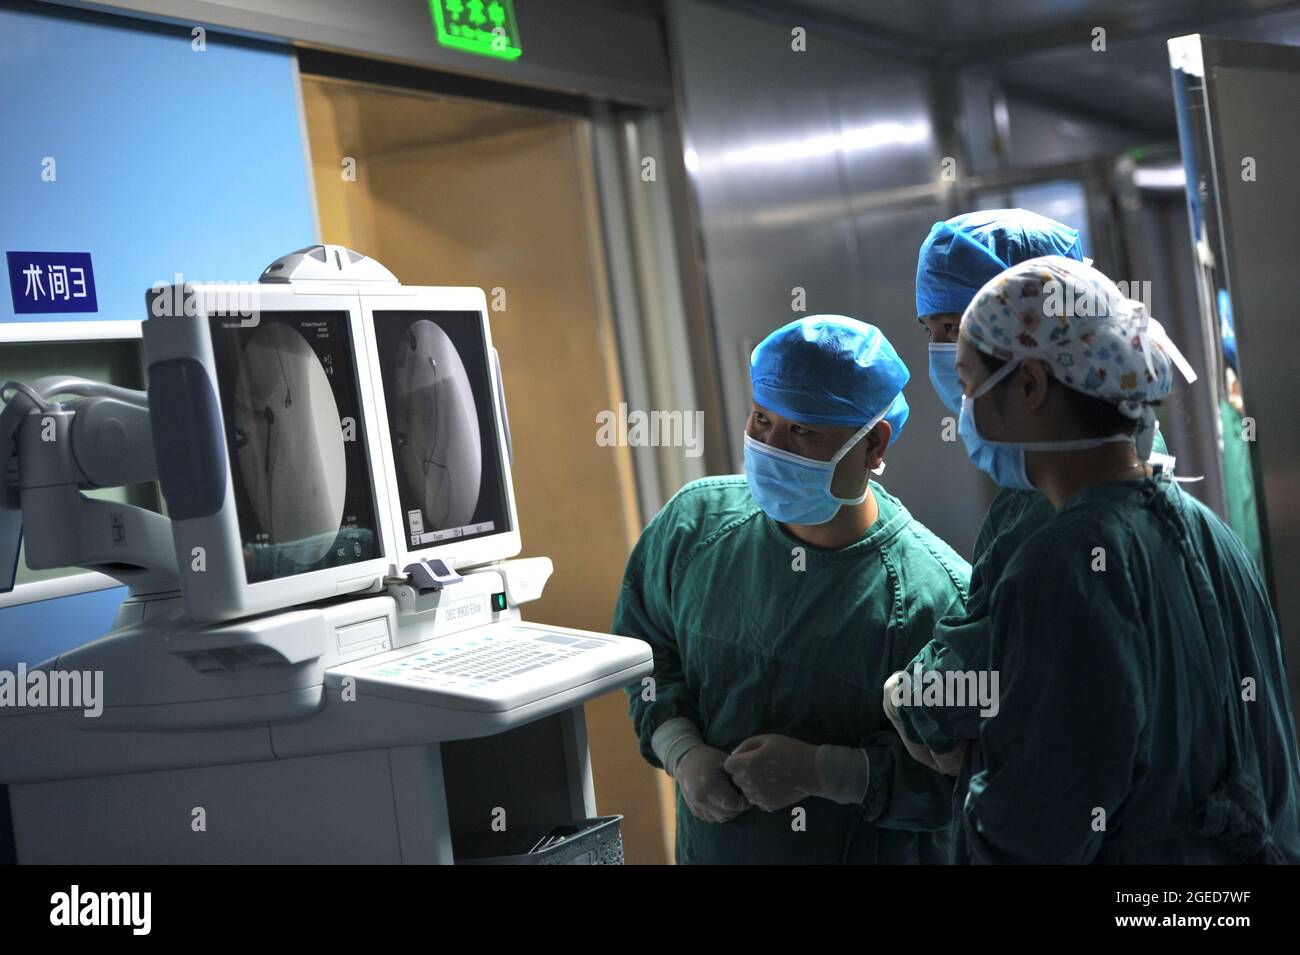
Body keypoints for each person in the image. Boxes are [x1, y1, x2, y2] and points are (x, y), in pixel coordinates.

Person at [898, 256, 1300, 862]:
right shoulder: (1209, 533)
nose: (965, 411)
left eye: (968, 383)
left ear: (1030, 384)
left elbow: (1035, 827)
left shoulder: (1062, 567)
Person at [615, 315, 969, 863]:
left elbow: (972, 774)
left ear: (874, 443)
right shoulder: (694, 526)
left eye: (802, 430)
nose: (771, 447)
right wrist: (680, 748)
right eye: (761, 420)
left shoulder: (936, 596)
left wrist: (828, 773)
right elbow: (643, 653)